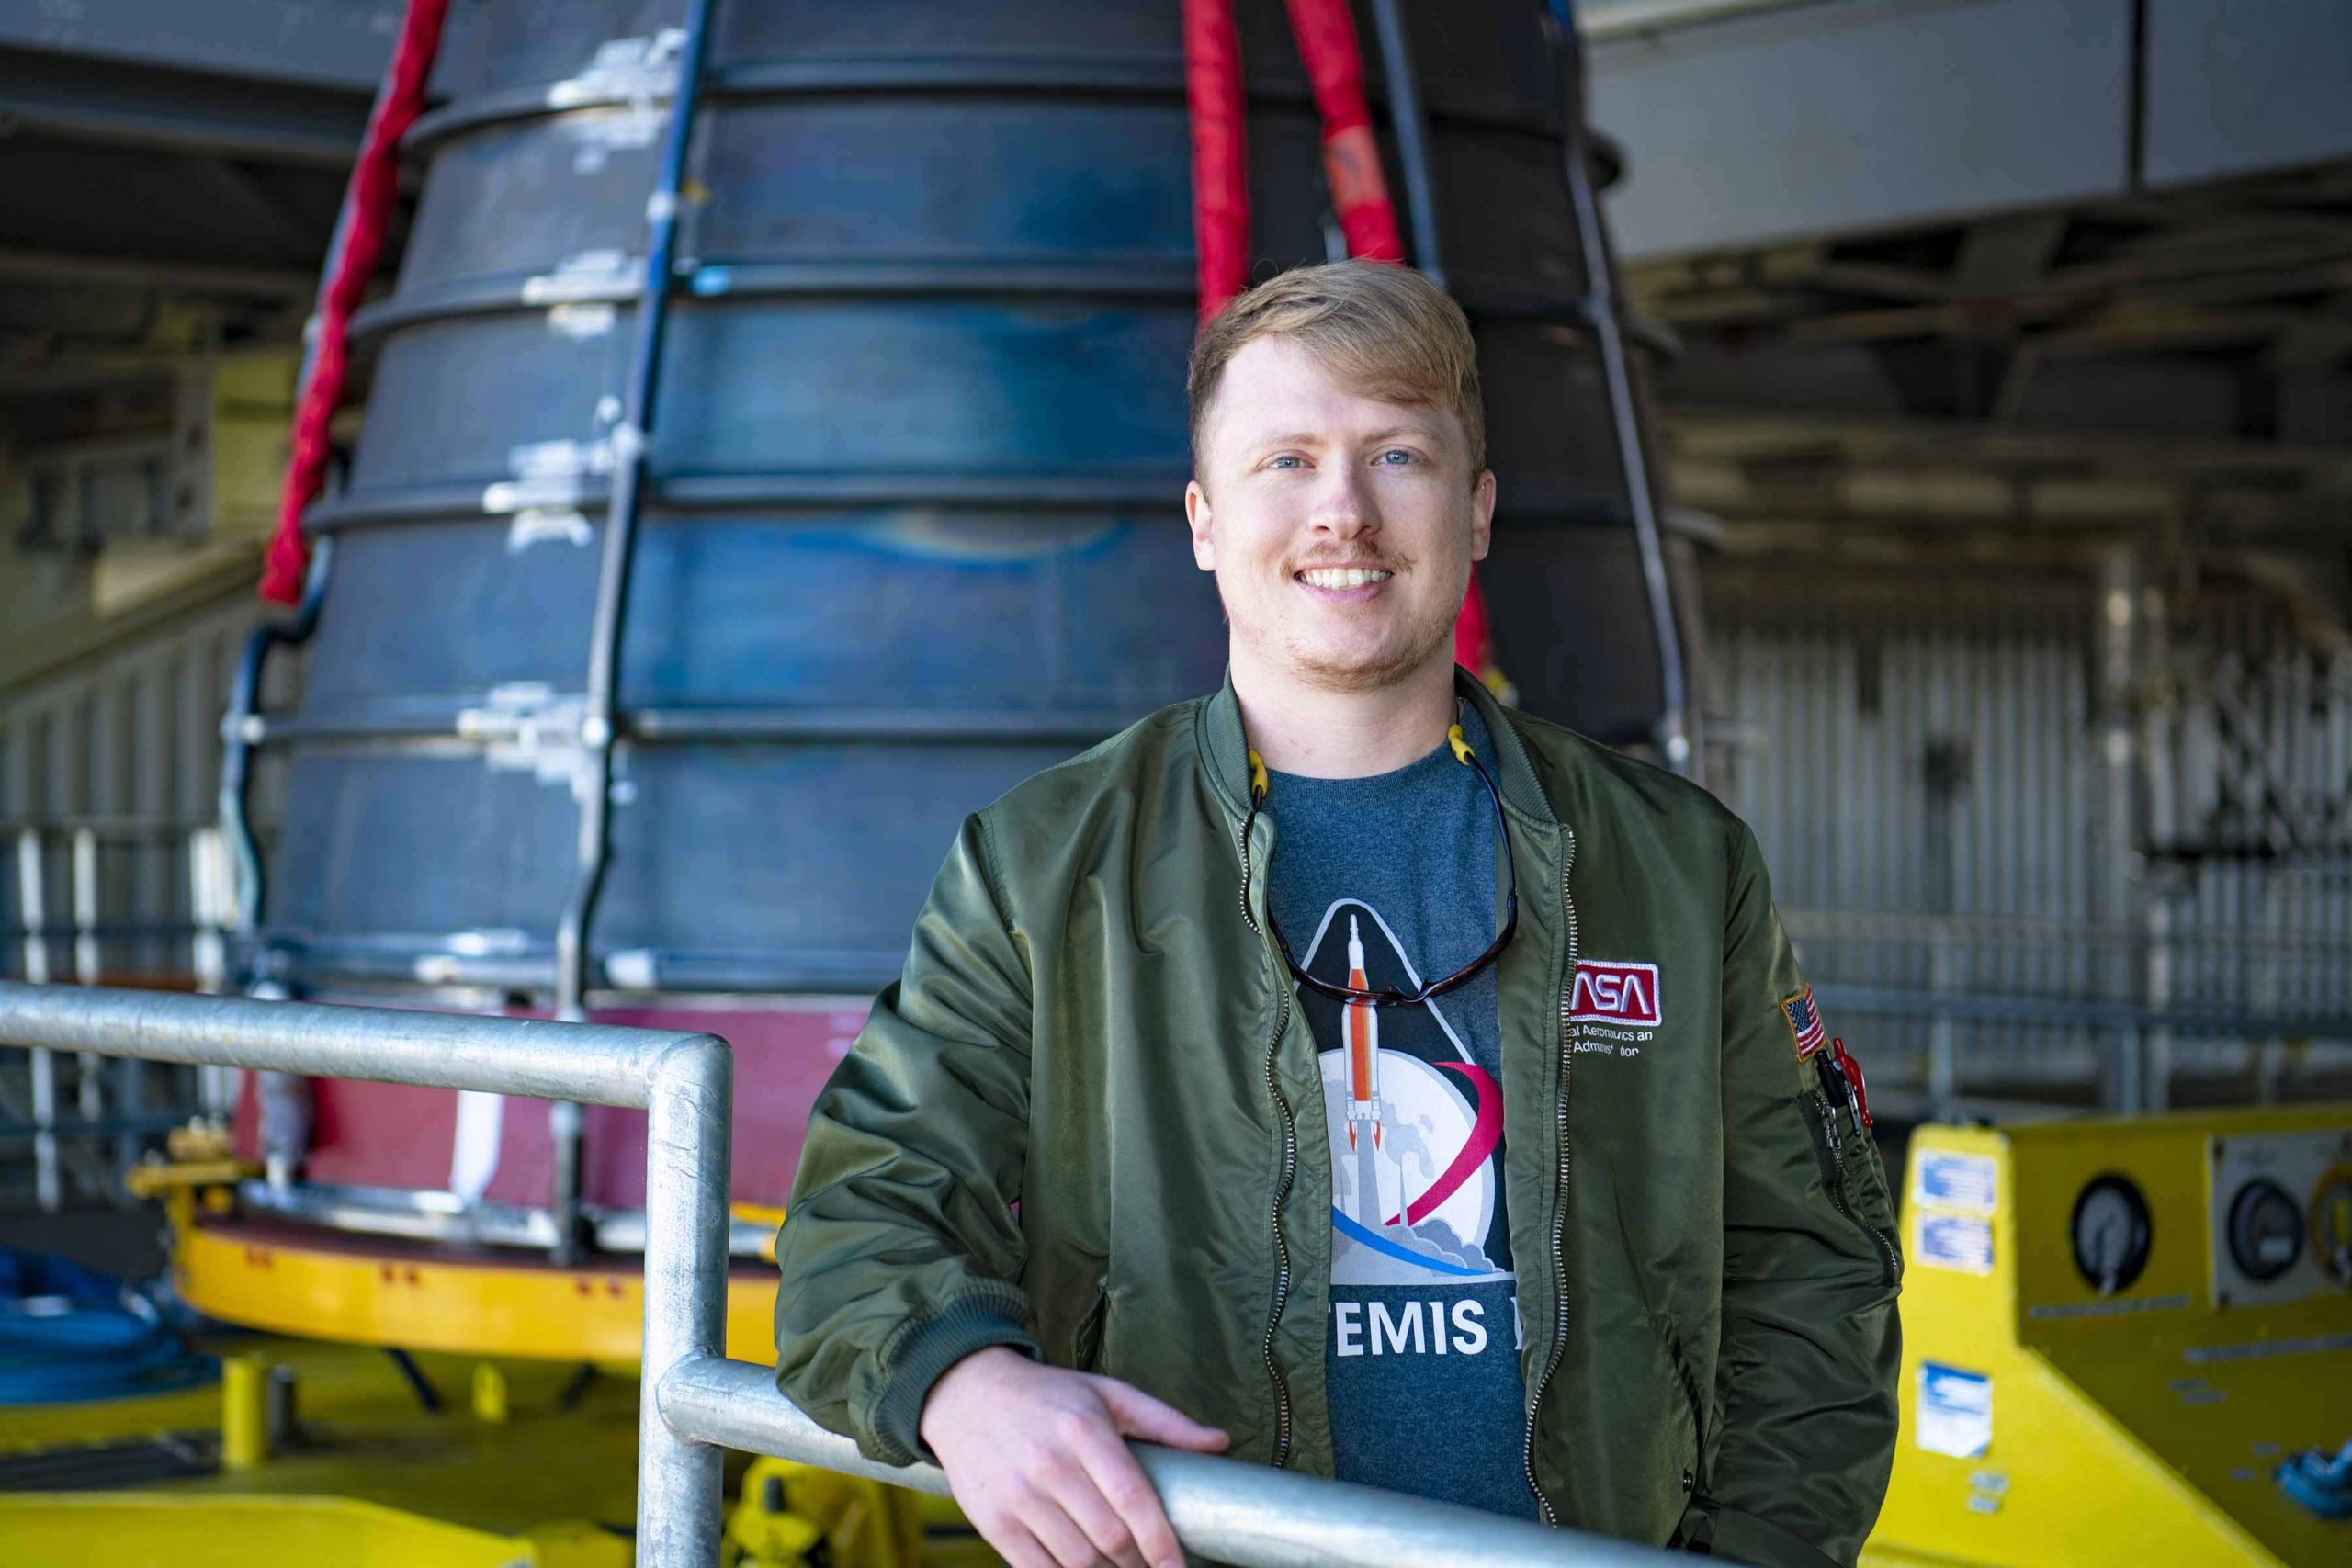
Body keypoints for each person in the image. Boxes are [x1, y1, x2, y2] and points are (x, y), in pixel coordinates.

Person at [774, 260, 1902, 1568]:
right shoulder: (1044, 867)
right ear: (1202, 519)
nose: (1345, 512)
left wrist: (1747, 1553)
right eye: (1287, 461)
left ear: (1476, 511)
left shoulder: (1674, 867)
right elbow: (866, 1210)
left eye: (1400, 457)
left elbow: (1806, 1274)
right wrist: (961, 1382)